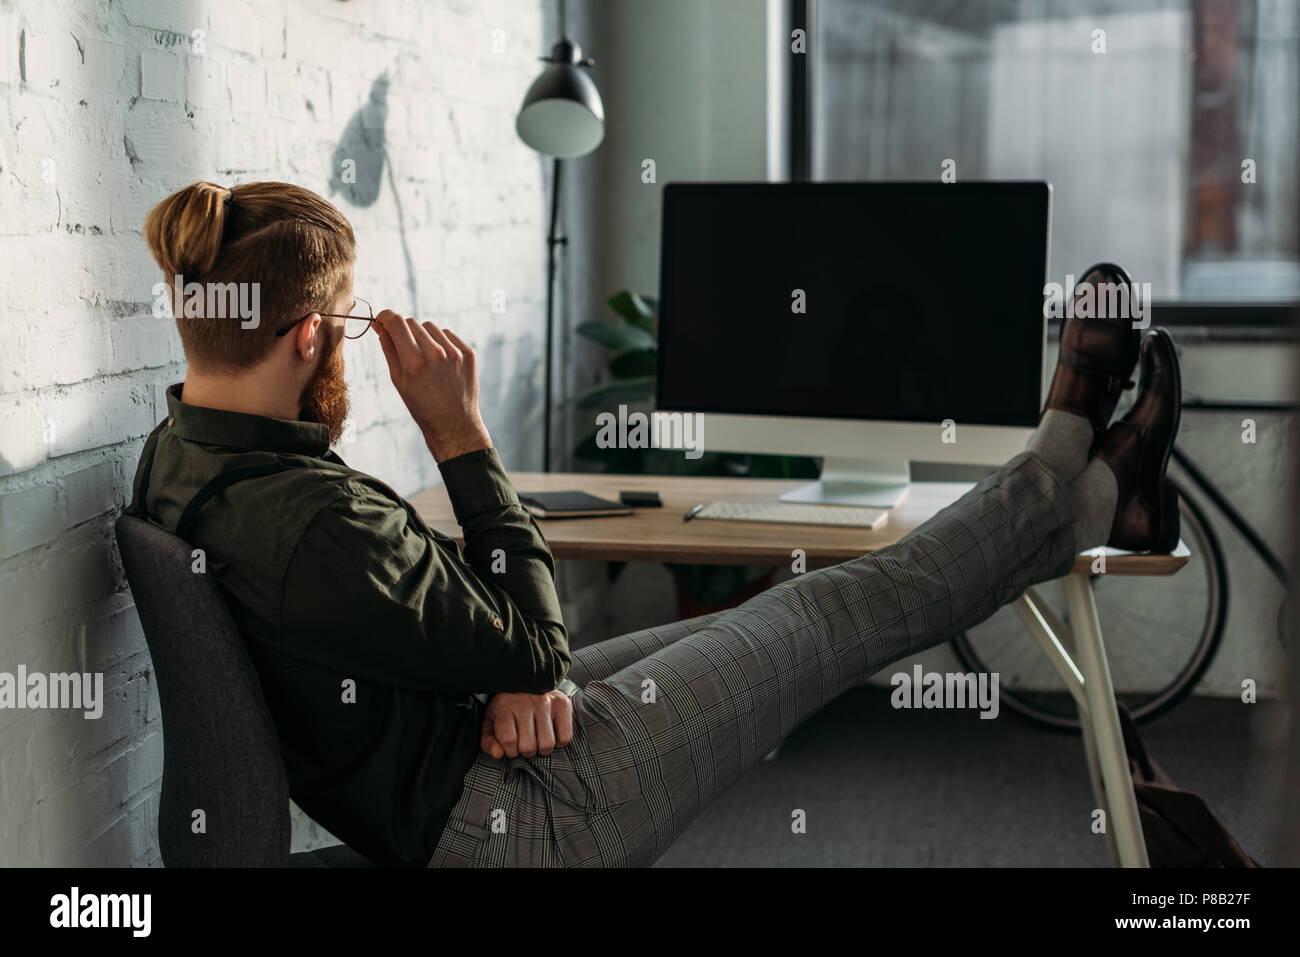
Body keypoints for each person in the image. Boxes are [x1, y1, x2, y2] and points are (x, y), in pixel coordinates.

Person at [126, 181, 1181, 867]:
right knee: (840, 611)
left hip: (458, 772)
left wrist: (502, 670)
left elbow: (420, 629)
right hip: (521, 824)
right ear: (313, 336)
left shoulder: (179, 459)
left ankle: (1089, 496)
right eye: (350, 326)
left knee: (817, 600)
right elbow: (536, 643)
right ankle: (1070, 484)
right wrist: (459, 436)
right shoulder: (314, 516)